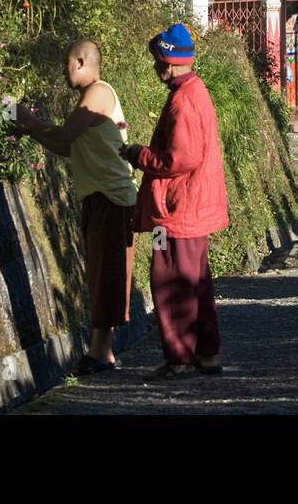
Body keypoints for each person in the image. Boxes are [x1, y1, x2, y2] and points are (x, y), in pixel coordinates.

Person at [12, 39, 137, 376]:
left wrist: (27, 119)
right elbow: (68, 148)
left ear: (81, 62)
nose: (63, 70)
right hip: (99, 197)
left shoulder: (97, 93)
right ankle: (101, 351)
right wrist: (29, 129)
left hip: (111, 197)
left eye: (66, 63)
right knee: (100, 272)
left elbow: (65, 137)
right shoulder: (88, 99)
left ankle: (101, 352)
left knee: (106, 273)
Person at [119, 23, 228, 380]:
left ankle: (179, 359)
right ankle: (207, 355)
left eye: (156, 62)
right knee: (197, 285)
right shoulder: (197, 91)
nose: (155, 69)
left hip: (179, 210)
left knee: (169, 286)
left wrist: (139, 155)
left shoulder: (182, 100)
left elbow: (179, 159)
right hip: (197, 207)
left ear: (167, 63)